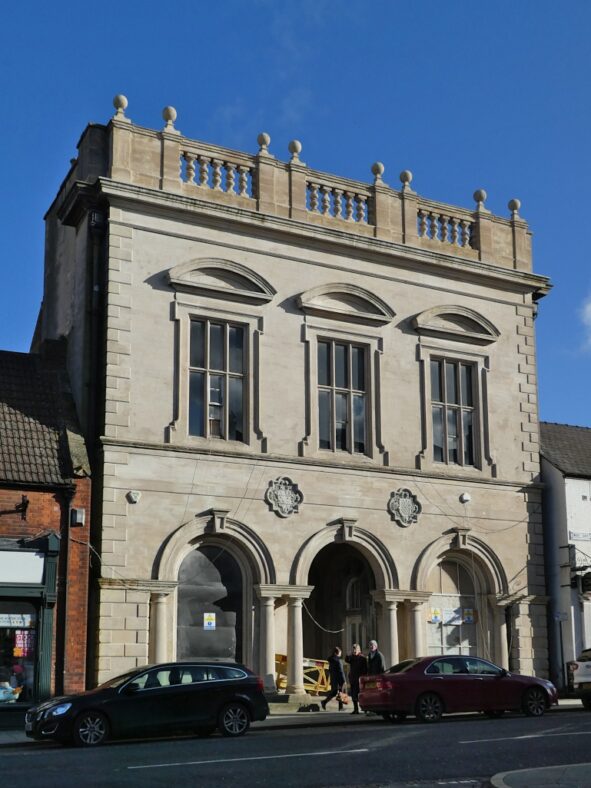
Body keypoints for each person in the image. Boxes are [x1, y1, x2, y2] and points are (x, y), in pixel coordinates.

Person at [321, 646, 346, 711]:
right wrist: (344, 680)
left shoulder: (331, 660)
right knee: (340, 692)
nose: (341, 654)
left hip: (333, 679)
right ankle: (325, 702)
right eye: (340, 653)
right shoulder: (338, 661)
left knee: (335, 692)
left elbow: (330, 670)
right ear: (336, 653)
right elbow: (341, 671)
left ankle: (325, 702)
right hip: (339, 679)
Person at [345, 643, 367, 715]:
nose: (354, 650)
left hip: (360, 679)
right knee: (354, 695)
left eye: (356, 649)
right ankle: (356, 709)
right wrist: (348, 654)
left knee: (361, 695)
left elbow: (365, 669)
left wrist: (363, 677)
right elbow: (347, 660)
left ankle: (365, 709)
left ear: (359, 650)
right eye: (353, 649)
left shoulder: (362, 658)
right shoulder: (352, 657)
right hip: (353, 678)